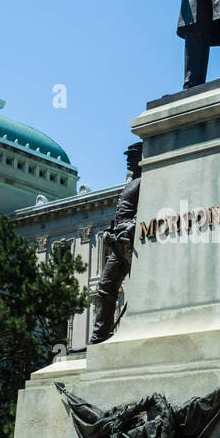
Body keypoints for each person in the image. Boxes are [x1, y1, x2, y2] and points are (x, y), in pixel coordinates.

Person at [89, 142, 142, 344]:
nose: (128, 159)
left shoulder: (148, 179)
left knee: (140, 285)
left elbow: (150, 206)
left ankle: (140, 326)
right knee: (105, 288)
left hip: (133, 241)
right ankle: (100, 335)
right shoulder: (131, 182)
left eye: (133, 155)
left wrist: (131, 227)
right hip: (118, 241)